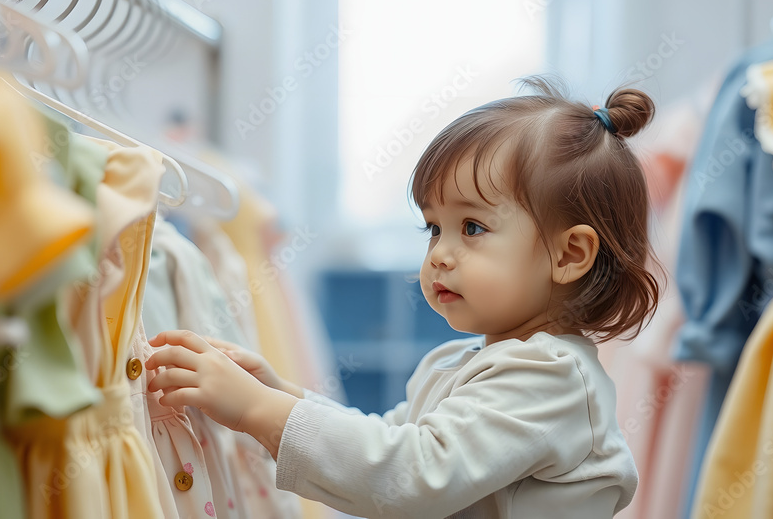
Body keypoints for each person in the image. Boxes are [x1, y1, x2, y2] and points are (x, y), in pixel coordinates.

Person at [145, 76, 661, 518]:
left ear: (569, 255)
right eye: (434, 228)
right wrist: (281, 393)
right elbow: (386, 438)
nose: (440, 253)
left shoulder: (550, 380)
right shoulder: (465, 360)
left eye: (473, 227)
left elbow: (412, 473)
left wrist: (257, 409)